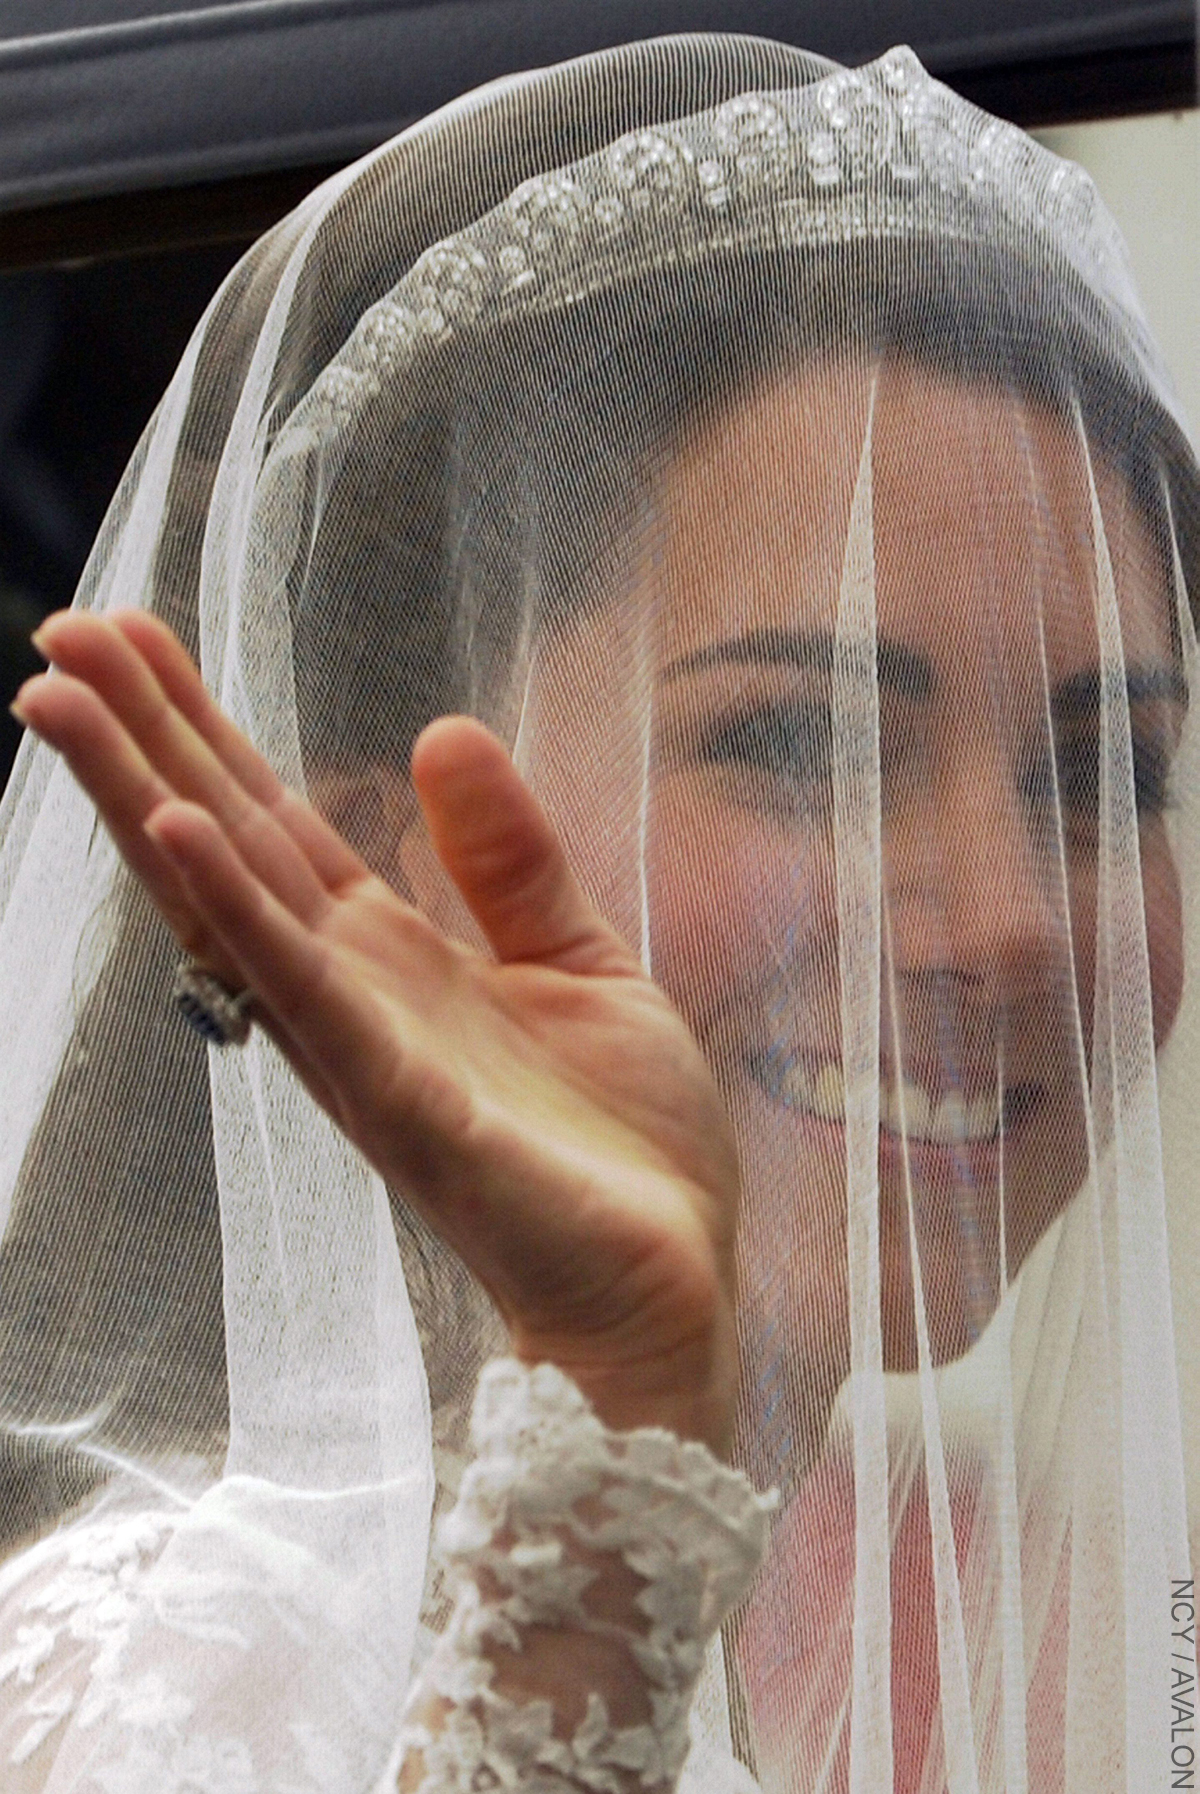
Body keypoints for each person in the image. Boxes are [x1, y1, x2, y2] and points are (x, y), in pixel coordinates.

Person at [0, 33, 1197, 1794]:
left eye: (1107, 775)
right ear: (365, 860)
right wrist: (618, 1430)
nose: (1012, 916)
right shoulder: (197, 1659)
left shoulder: (780, 1637)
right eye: (802, 741)